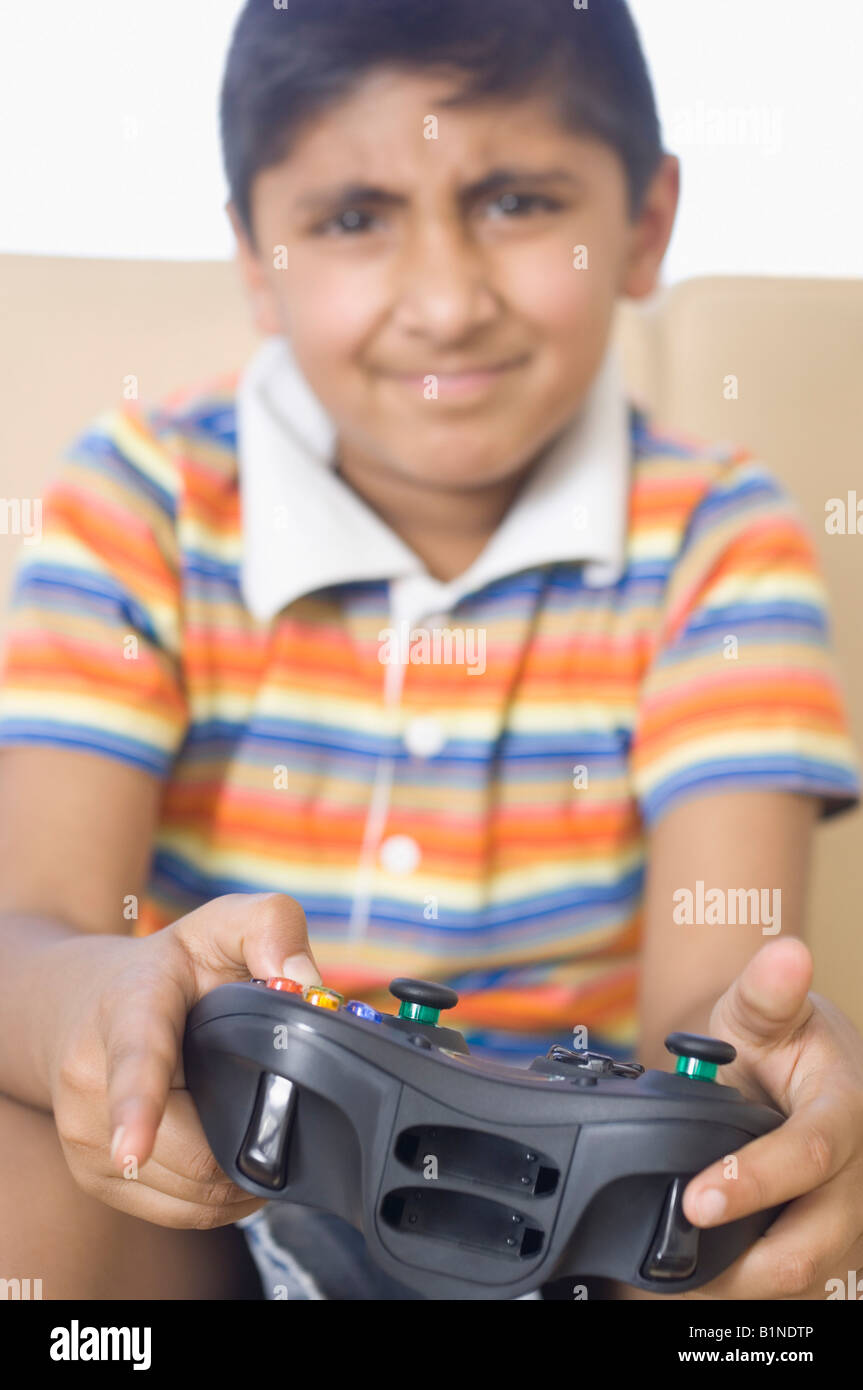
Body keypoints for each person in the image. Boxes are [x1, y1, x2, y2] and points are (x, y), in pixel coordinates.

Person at [1, 0, 862, 1302]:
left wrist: (753, 1083)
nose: (448, 302)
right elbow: (28, 932)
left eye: (517, 201)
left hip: (568, 1238)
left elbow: (712, 1012)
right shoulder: (146, 497)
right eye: (353, 218)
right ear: (254, 254)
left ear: (644, 225)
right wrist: (100, 1006)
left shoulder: (716, 538)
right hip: (210, 1200)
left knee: (739, 1242)